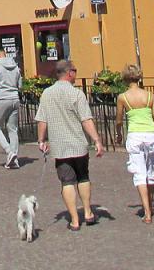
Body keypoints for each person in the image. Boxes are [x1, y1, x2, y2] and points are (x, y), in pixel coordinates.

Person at [35, 60, 103, 231]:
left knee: (67, 181)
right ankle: (87, 212)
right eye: (75, 71)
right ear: (69, 73)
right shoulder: (77, 94)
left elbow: (42, 120)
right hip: (78, 144)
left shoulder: (47, 94)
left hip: (59, 146)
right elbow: (86, 119)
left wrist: (41, 140)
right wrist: (96, 140)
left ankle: (74, 220)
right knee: (83, 177)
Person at [114, 65, 154, 224]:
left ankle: (147, 212)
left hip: (135, 135)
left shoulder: (123, 97)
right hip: (150, 134)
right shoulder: (149, 96)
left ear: (125, 79)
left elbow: (119, 120)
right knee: (151, 170)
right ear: (139, 77)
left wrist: (119, 134)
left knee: (139, 173)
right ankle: (151, 203)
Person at [0, 47, 22, 168]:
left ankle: (9, 151)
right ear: (5, 53)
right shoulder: (15, 66)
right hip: (15, 98)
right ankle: (14, 160)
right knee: (13, 129)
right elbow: (20, 85)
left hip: (2, 98)